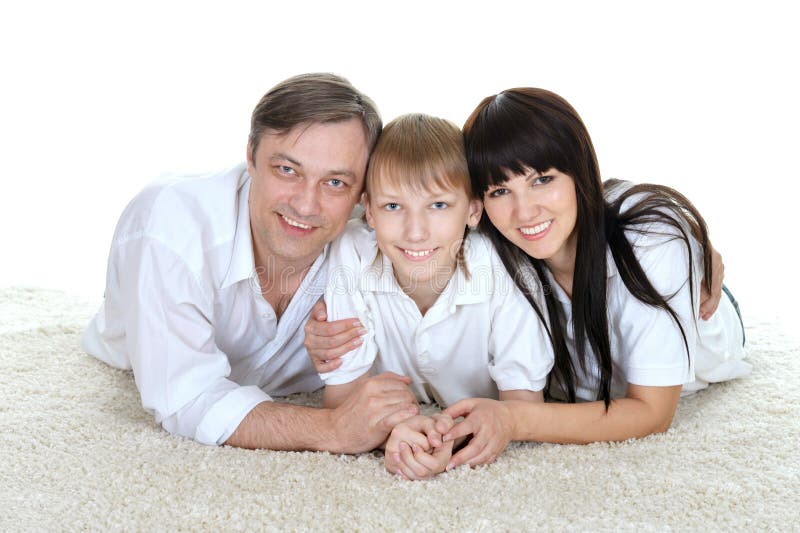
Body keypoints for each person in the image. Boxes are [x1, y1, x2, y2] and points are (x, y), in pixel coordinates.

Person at [304, 88, 744, 471]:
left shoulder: (652, 246)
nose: (525, 210)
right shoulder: (488, 237)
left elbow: (652, 413)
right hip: (572, 379)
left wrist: (512, 420)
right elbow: (404, 199)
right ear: (480, 203)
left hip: (702, 336)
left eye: (543, 179)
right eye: (500, 190)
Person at [81, 73, 419, 452]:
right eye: (287, 170)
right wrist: (333, 429)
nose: (306, 204)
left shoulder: (380, 232)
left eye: (335, 182)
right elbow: (186, 397)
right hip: (130, 364)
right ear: (250, 158)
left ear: (362, 192)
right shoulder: (171, 227)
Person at [318, 113, 553, 479]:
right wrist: (396, 435)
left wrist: (450, 438)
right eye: (393, 206)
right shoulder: (351, 252)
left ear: (473, 210)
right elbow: (341, 399)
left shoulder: (504, 267)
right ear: (369, 211)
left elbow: (523, 406)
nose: (415, 232)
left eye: (439, 205)